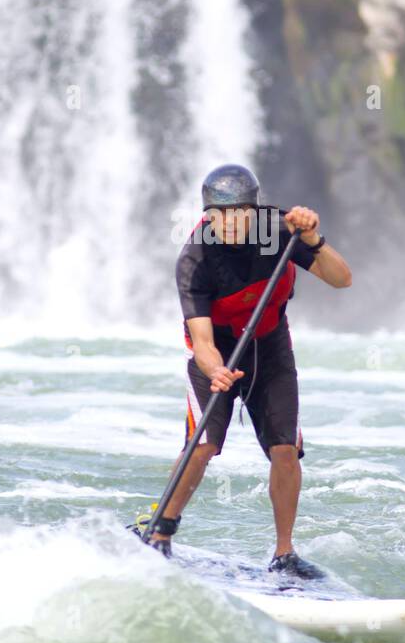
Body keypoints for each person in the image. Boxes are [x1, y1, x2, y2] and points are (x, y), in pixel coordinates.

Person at [146, 162, 352, 577]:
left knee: (284, 450)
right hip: (217, 354)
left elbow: (342, 279)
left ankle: (284, 554)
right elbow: (201, 342)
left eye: (242, 211)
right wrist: (216, 370)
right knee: (203, 445)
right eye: (223, 215)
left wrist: (313, 239)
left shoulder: (279, 231)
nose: (233, 221)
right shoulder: (195, 258)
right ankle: (160, 535)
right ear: (208, 215)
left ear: (255, 210)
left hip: (270, 349)